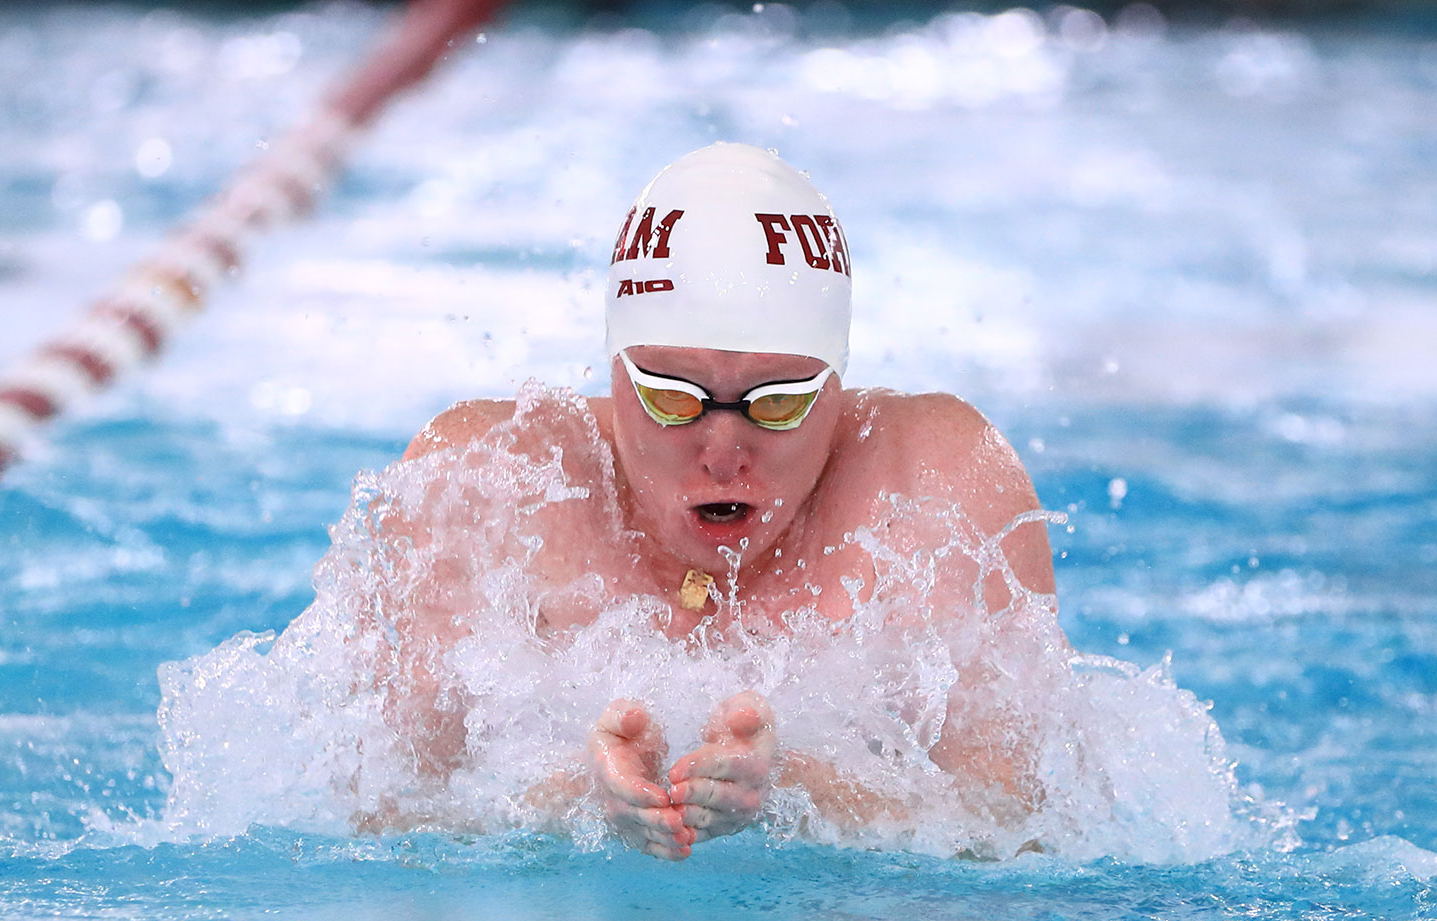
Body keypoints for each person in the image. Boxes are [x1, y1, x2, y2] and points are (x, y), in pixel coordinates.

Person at [370, 143, 1059, 860]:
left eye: (779, 403)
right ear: (613, 369)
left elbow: (1021, 833)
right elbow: (382, 819)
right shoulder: (489, 485)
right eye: (672, 397)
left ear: (838, 382)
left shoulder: (935, 483)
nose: (724, 451)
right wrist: (580, 796)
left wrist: (797, 788)